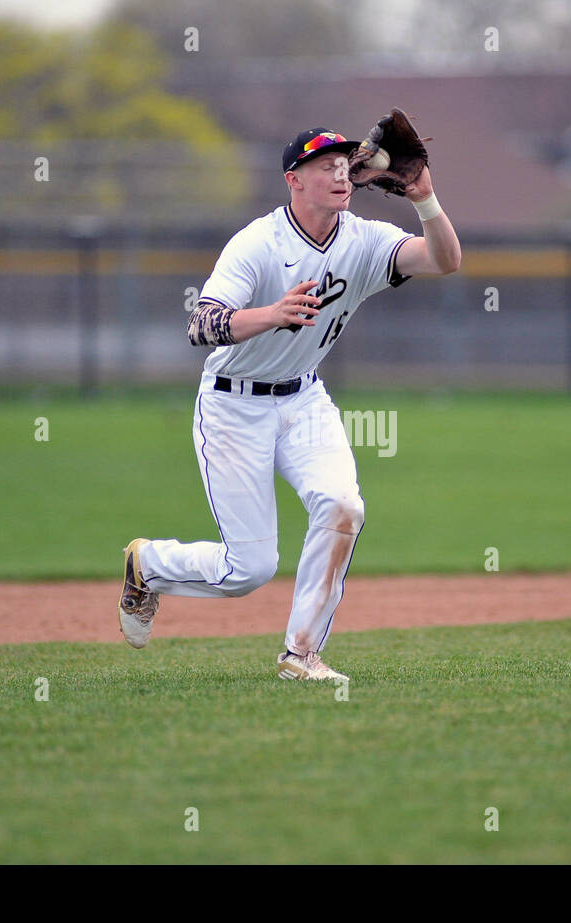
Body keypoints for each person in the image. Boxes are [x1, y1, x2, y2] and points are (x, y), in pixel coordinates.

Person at [117, 125, 461, 681]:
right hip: (233, 407)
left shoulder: (365, 240)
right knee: (248, 569)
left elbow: (443, 260)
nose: (340, 172)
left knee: (343, 505)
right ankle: (147, 564)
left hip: (304, 400)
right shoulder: (258, 243)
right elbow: (200, 325)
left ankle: (300, 655)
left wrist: (425, 198)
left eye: (346, 162)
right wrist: (271, 314)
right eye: (324, 165)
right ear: (293, 180)